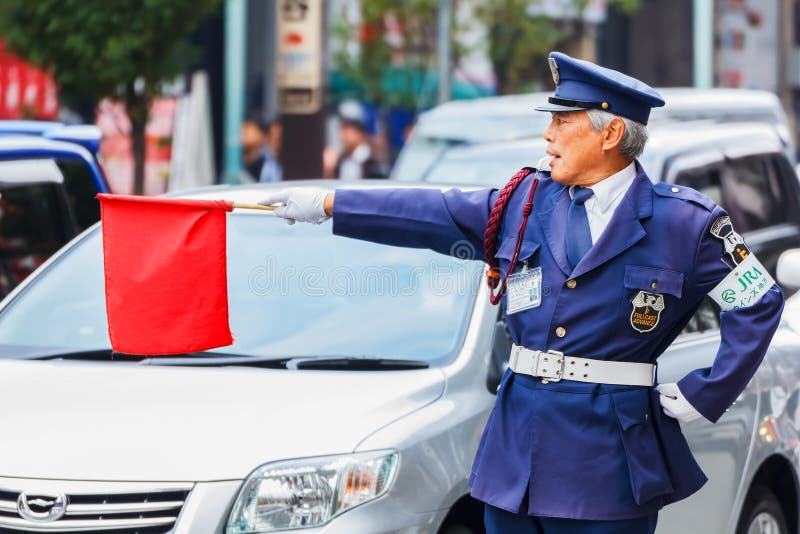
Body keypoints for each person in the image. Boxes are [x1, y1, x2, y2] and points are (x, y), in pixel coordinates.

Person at [258, 52, 785, 533]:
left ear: (610, 133)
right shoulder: (525, 202)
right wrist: (328, 204)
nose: (547, 136)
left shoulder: (685, 222)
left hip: (609, 464)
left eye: (562, 122)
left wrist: (706, 392)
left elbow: (759, 302)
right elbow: (428, 211)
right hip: (516, 458)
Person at [334, 100, 387, 180]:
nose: (342, 133)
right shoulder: (340, 160)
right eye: (342, 127)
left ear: (360, 131)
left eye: (347, 127)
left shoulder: (372, 164)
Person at [240, 110, 283, 183]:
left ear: (262, 135)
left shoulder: (268, 163)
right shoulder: (237, 164)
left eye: (246, 129)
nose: (241, 134)